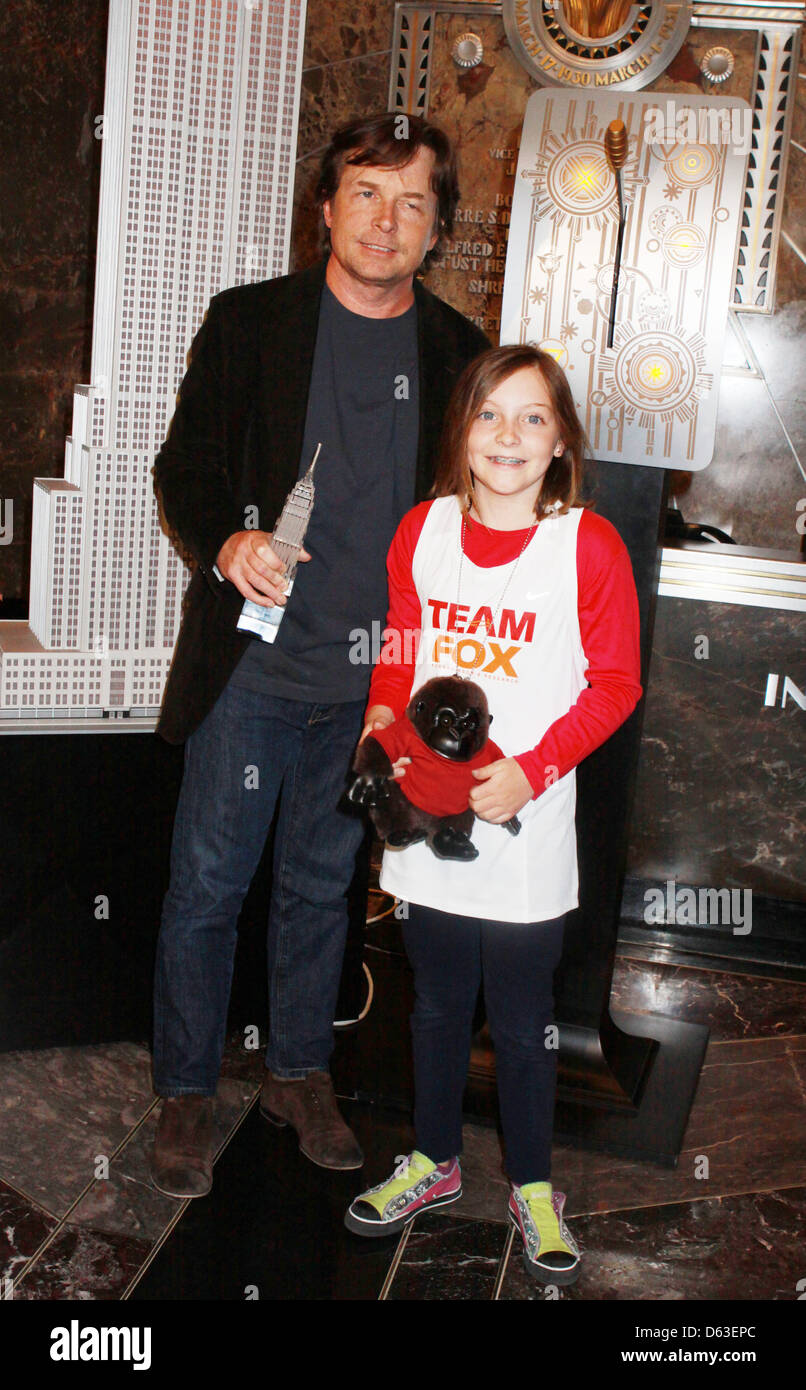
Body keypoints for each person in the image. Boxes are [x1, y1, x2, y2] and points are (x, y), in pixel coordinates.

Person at [149, 112, 489, 1199]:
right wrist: (229, 539)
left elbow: (475, 510)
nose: (385, 220)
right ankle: (185, 1091)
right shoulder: (250, 324)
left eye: (411, 201)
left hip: (371, 682)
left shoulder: (455, 352)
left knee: (321, 888)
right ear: (326, 206)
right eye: (365, 192)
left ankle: (300, 1072)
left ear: (435, 226)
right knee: (206, 888)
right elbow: (185, 465)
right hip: (249, 673)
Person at [343, 344, 642, 1284]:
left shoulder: (587, 544)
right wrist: (381, 727)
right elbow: (398, 650)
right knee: (432, 1005)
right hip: (428, 825)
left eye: (533, 418)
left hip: (525, 828)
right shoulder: (419, 531)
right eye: (489, 414)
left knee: (522, 1021)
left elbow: (618, 682)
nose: (507, 435)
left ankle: (535, 1187)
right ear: (462, 430)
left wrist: (536, 766)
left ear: (560, 444)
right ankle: (432, 1162)